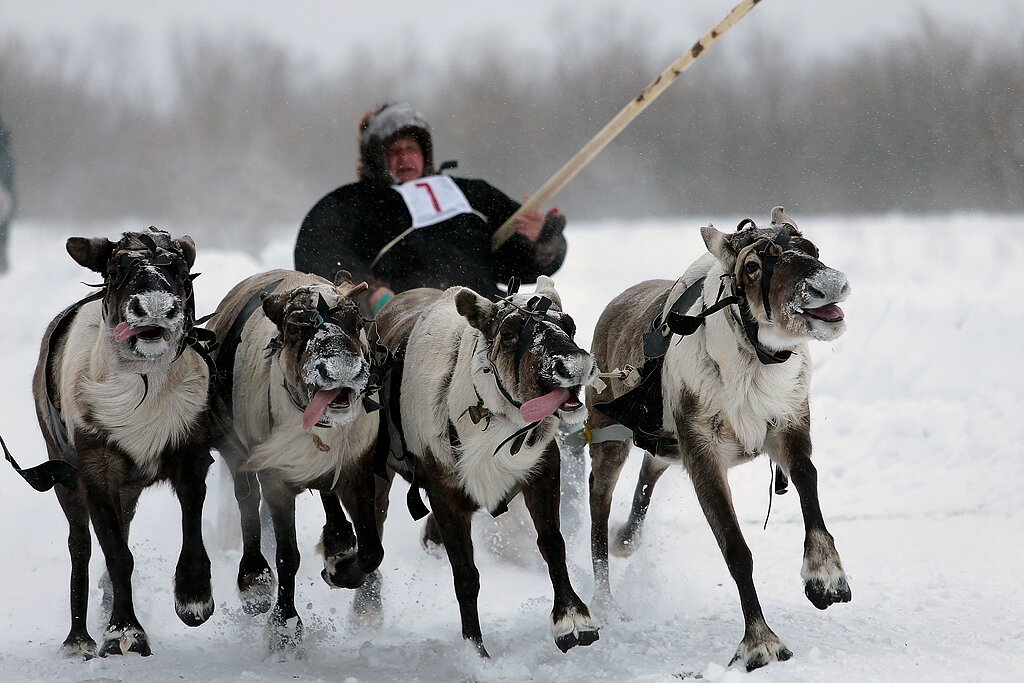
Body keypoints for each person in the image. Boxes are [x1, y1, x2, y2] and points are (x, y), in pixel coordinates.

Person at [294, 102, 567, 315]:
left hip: (485, 311)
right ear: (376, 160)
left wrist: (539, 240)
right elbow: (318, 252)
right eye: (394, 151)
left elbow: (515, 266)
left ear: (425, 152)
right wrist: (369, 291)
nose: (404, 158)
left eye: (411, 148)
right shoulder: (357, 204)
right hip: (410, 320)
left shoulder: (471, 192)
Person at [0, 111, 15, 275]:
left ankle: (2, 259)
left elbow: (7, 165)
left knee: (3, 228)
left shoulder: (6, 151)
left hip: (3, 191)